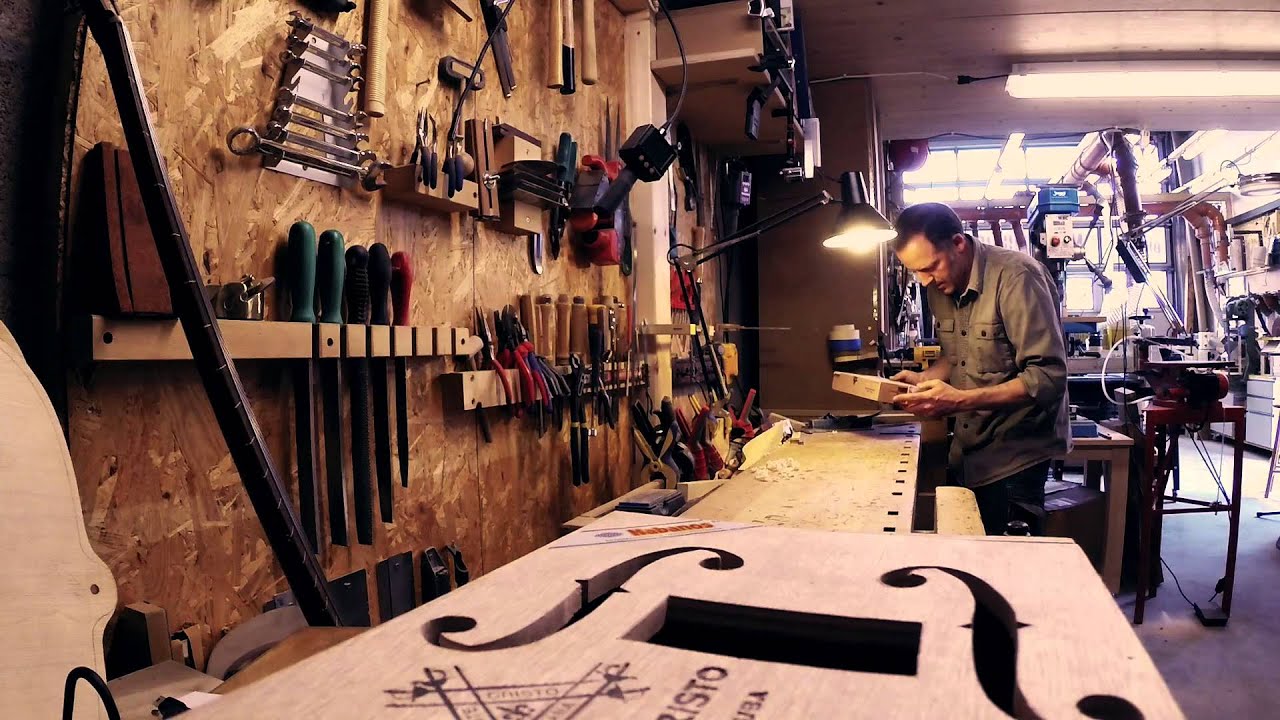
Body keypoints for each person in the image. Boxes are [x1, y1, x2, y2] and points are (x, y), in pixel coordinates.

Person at [888, 202, 1069, 535]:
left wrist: (959, 401)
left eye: (930, 267)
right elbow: (959, 355)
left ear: (958, 243)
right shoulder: (941, 286)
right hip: (969, 452)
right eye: (916, 272)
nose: (924, 280)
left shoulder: (1018, 277)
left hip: (1015, 458)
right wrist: (925, 379)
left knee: (1006, 571)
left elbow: (1046, 378)